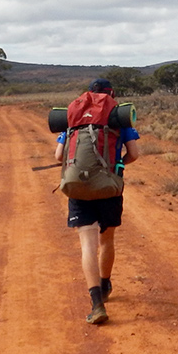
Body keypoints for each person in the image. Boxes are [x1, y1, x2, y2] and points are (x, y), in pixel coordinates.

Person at [55, 78, 141, 325]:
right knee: (107, 240)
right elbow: (134, 154)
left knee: (87, 246)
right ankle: (105, 284)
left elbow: (59, 155)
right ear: (111, 95)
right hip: (109, 188)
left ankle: (96, 303)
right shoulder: (117, 119)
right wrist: (118, 165)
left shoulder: (73, 120)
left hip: (78, 187)